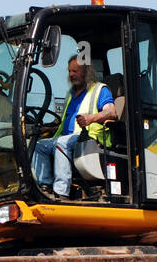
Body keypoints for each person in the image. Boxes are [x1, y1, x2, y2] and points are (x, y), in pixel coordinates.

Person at [31, 55, 116, 198]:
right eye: (70, 71)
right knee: (39, 145)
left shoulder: (100, 89)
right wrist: (47, 129)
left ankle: (61, 192)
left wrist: (91, 118)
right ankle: (44, 186)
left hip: (90, 137)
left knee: (61, 143)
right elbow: (64, 120)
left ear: (87, 72)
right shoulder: (70, 94)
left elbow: (111, 112)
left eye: (75, 71)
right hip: (68, 137)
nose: (71, 74)